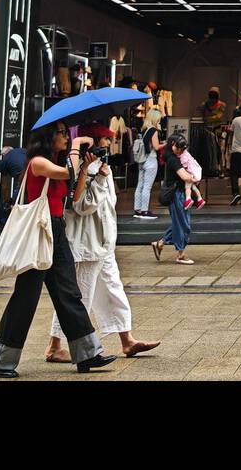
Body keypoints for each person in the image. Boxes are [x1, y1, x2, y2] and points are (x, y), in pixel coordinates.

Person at [0, 125, 117, 378]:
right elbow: (66, 171)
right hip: (39, 232)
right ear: (47, 138)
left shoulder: (57, 163)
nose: (66, 138)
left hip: (57, 231)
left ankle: (87, 354)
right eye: (61, 134)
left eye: (67, 135)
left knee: (69, 293)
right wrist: (77, 147)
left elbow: (75, 196)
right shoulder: (38, 163)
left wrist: (88, 171)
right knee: (26, 298)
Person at [44, 124, 160, 363]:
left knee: (113, 289)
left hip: (104, 243)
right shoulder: (78, 168)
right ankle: (54, 345)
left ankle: (127, 340)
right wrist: (95, 176)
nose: (108, 147)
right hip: (87, 244)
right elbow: (81, 206)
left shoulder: (103, 168)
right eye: (104, 142)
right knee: (80, 296)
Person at [152, 133, 195, 265]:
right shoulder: (173, 159)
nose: (181, 150)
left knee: (179, 223)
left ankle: (160, 243)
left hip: (179, 194)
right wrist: (194, 177)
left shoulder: (175, 157)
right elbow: (185, 177)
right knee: (184, 225)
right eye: (179, 148)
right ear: (172, 145)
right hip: (176, 195)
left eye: (183, 148)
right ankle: (180, 255)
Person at [132, 107, 164, 220]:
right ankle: (145, 211)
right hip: (150, 160)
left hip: (142, 160)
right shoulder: (153, 130)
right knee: (147, 186)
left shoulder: (144, 129)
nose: (160, 120)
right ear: (155, 118)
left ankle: (137, 209)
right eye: (159, 119)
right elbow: (156, 147)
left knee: (140, 185)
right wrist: (166, 144)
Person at [0, 144, 27, 227]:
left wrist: (6, 200)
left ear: (4, 154)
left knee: (15, 202)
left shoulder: (5, 159)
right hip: (33, 175)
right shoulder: (22, 150)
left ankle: (10, 224)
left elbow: (4, 182)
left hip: (22, 180)